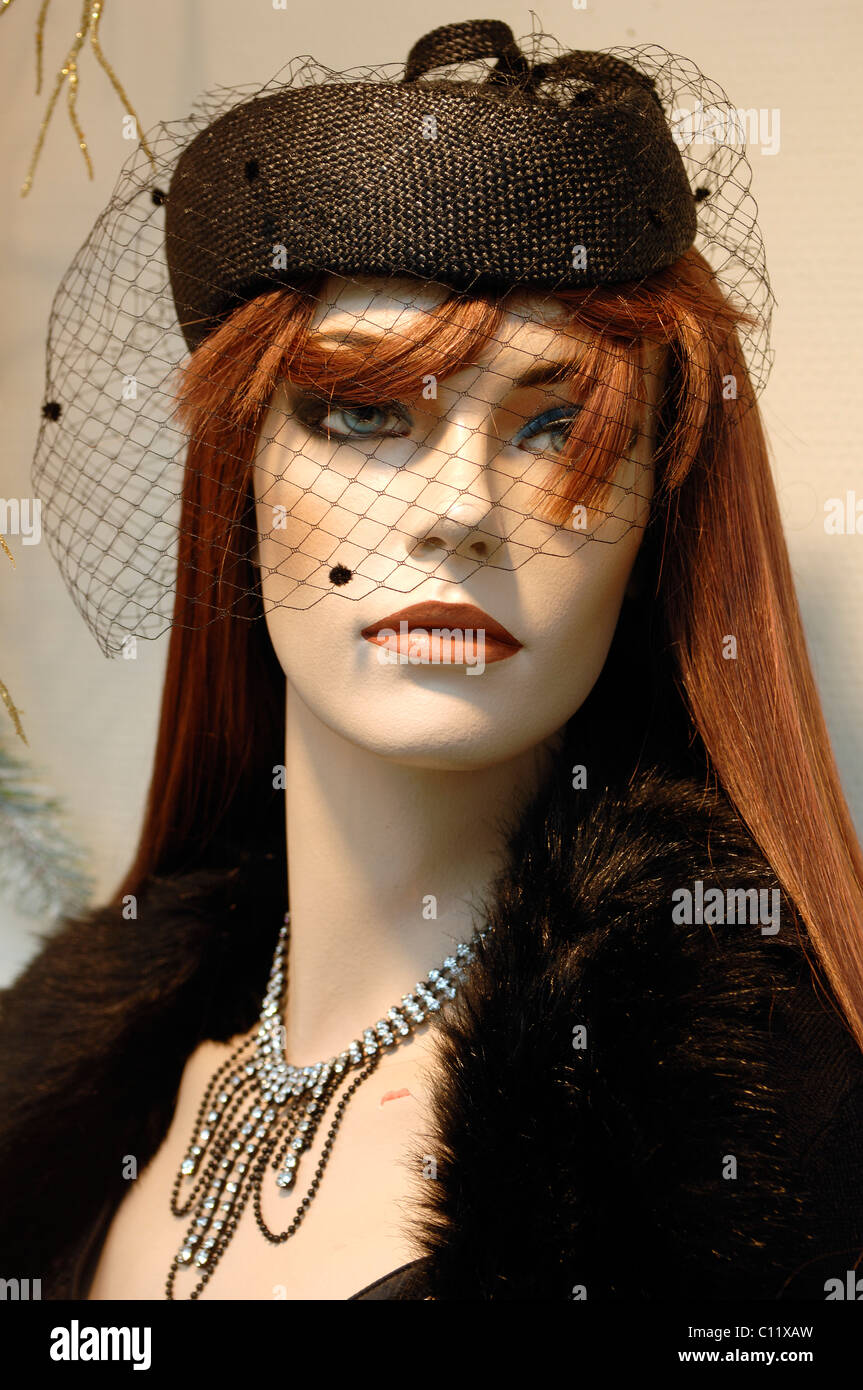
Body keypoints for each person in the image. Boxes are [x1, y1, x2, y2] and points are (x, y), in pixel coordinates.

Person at [2, 18, 862, 1301]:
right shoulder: (84, 1092)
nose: (459, 506)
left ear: (653, 518)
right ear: (238, 482)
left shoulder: (757, 1149)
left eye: (558, 425)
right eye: (362, 411)